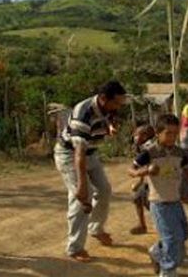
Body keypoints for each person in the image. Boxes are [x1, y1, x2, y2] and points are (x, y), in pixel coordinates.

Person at [54, 80, 127, 262]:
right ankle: (75, 247)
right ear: (103, 98)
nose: (118, 106)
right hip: (71, 155)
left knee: (104, 190)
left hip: (91, 153)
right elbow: (79, 155)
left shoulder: (108, 107)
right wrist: (82, 186)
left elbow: (110, 118)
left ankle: (95, 228)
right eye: (116, 103)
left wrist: (110, 127)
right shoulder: (83, 113)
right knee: (81, 199)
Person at [131, 114, 188, 277]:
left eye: (175, 133)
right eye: (168, 133)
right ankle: (167, 271)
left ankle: (156, 252)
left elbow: (187, 170)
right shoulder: (150, 152)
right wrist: (146, 170)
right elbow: (131, 170)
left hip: (175, 201)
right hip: (159, 202)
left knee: (184, 234)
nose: (172, 137)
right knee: (172, 240)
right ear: (158, 133)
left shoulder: (180, 153)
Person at [130, 124, 156, 235]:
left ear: (145, 136)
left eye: (137, 135)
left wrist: (139, 180)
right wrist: (140, 182)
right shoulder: (143, 146)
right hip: (149, 180)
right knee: (137, 197)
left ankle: (164, 224)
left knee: (152, 204)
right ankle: (142, 225)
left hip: (155, 182)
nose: (134, 137)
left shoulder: (148, 148)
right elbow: (143, 166)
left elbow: (145, 167)